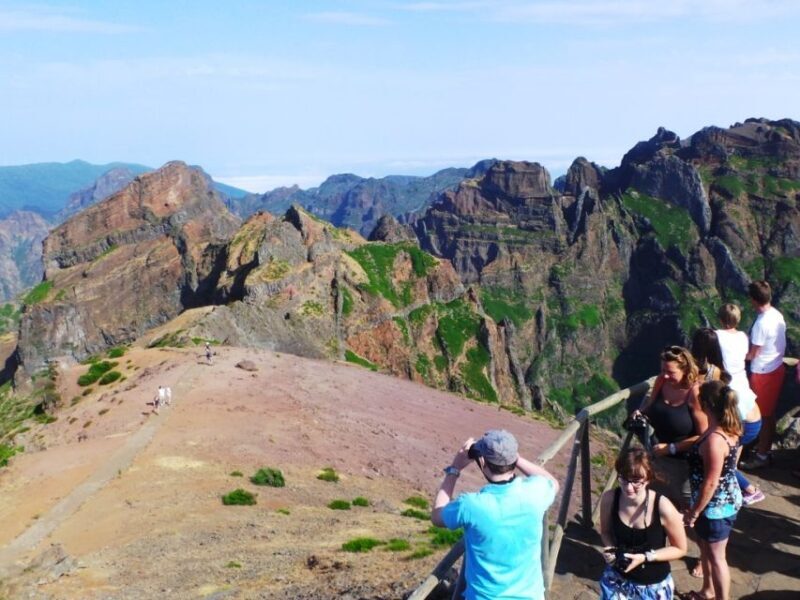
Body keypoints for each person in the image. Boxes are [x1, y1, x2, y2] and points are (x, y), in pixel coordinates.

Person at [432, 430, 559, 600]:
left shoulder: (471, 505)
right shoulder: (536, 492)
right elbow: (553, 482)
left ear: (482, 461)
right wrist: (514, 457)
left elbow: (437, 516)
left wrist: (454, 469)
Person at [599, 448, 687, 599]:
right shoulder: (610, 498)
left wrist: (646, 557)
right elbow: (605, 532)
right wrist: (611, 550)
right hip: (617, 580)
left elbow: (680, 548)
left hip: (652, 586)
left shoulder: (663, 506)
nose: (628, 488)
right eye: (623, 479)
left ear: (648, 479)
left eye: (636, 482)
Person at [684, 381, 743, 600]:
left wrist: (695, 512)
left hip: (715, 508)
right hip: (725, 500)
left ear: (706, 405)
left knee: (717, 557)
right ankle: (707, 591)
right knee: (707, 550)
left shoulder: (714, 441)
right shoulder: (730, 428)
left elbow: (711, 482)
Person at [635, 346, 708, 509]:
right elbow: (650, 405)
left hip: (683, 465)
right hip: (655, 457)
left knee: (682, 508)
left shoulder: (695, 393)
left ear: (685, 370)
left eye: (671, 372)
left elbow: (704, 435)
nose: (665, 375)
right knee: (654, 504)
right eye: (663, 370)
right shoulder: (661, 381)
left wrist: (671, 448)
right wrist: (640, 413)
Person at [716, 303, 764, 504]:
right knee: (733, 457)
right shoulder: (743, 337)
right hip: (747, 400)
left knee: (722, 461)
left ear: (720, 319)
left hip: (734, 400)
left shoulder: (717, 335)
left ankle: (750, 490)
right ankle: (733, 487)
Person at [744, 281, 786, 469]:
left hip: (763, 373)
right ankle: (765, 449)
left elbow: (754, 354)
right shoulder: (776, 314)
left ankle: (761, 456)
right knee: (769, 413)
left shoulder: (761, 324)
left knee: (762, 414)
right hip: (776, 367)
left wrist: (737, 354)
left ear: (753, 300)